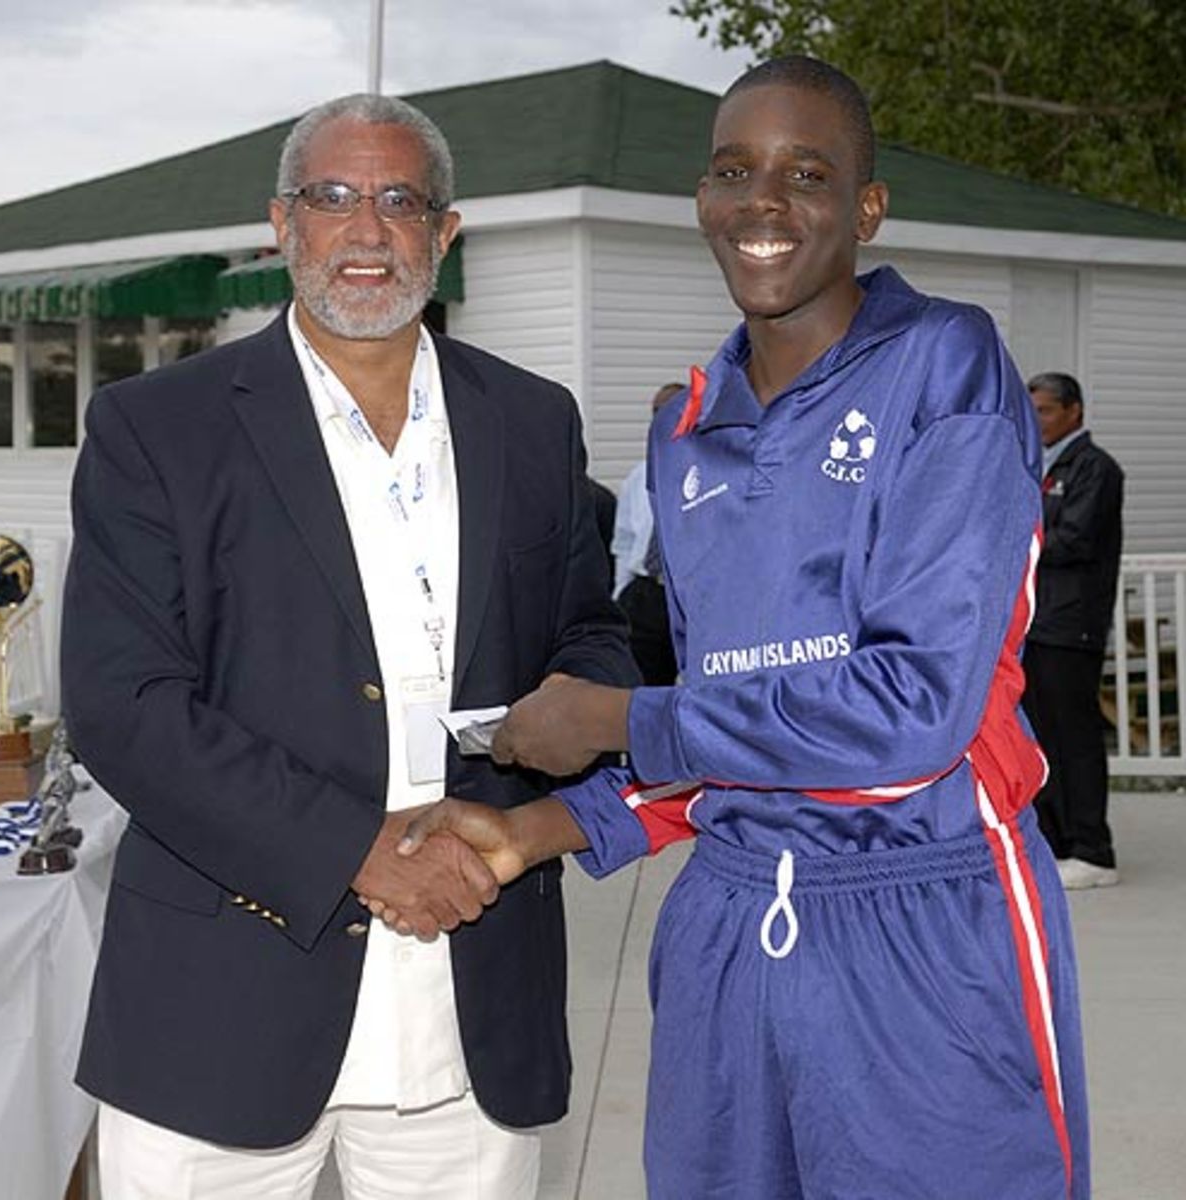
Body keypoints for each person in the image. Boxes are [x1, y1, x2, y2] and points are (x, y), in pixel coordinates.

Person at [395, 56, 1090, 1200]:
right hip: (730, 921)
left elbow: (909, 713)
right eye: (733, 171)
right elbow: (740, 726)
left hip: (924, 919)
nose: (762, 203)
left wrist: (616, 718)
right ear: (703, 200)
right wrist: (549, 830)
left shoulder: (946, 364)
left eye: (805, 173)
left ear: (866, 207)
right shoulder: (688, 427)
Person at [60, 93, 636, 1200]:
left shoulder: (531, 421)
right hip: (222, 1010)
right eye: (332, 198)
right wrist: (354, 851)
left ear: (445, 232)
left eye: (398, 200)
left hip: (476, 990)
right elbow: (123, 703)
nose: (365, 231)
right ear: (281, 225)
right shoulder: (157, 428)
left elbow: (589, 634)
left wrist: (570, 723)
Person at [1023, 371, 1124, 889]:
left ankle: (1093, 847)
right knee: (1041, 733)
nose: (1036, 419)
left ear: (1074, 412)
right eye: (1032, 409)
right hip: (1037, 622)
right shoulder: (1040, 466)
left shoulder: (1095, 468)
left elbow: (1073, 539)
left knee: (1076, 735)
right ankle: (1057, 842)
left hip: (1072, 623)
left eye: (1045, 410)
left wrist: (1019, 532)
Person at [611, 382, 683, 685]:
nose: (661, 418)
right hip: (643, 594)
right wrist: (617, 599)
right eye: (656, 412)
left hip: (683, 595)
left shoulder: (708, 472)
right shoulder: (639, 476)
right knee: (641, 687)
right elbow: (625, 542)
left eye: (670, 410)